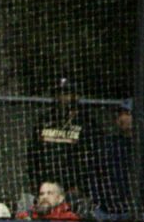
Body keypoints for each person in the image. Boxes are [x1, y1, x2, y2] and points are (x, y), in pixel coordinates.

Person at [26, 77, 102, 208]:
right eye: (59, 94)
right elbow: (33, 156)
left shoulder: (87, 124)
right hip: (45, 189)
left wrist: (81, 187)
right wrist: (38, 185)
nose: (62, 98)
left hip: (73, 191)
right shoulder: (44, 121)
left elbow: (93, 159)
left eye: (66, 93)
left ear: (76, 96)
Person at [93, 99, 144, 222]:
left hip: (142, 211)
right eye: (121, 113)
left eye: (128, 114)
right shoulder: (109, 143)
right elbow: (96, 173)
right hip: (109, 209)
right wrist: (100, 200)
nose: (123, 118)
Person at [15, 181, 80, 222]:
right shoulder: (27, 216)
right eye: (41, 194)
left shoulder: (69, 219)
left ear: (60, 198)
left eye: (50, 193)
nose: (44, 197)